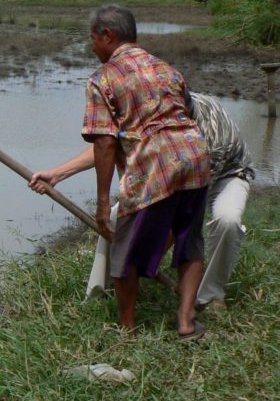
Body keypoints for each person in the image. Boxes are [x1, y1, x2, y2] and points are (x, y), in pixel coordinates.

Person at [30, 4, 212, 338]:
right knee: (191, 242)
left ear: (107, 36)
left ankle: (127, 332)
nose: (92, 47)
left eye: (93, 39)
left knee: (122, 255)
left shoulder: (103, 79)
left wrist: (103, 204)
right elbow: (181, 117)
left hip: (154, 166)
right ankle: (186, 323)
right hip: (197, 158)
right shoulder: (167, 69)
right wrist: (57, 174)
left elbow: (106, 144)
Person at [31, 92, 254, 312]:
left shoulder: (209, 134)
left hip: (228, 174)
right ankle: (100, 291)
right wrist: (56, 175)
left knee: (227, 220)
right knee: (117, 216)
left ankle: (210, 297)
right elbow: (109, 145)